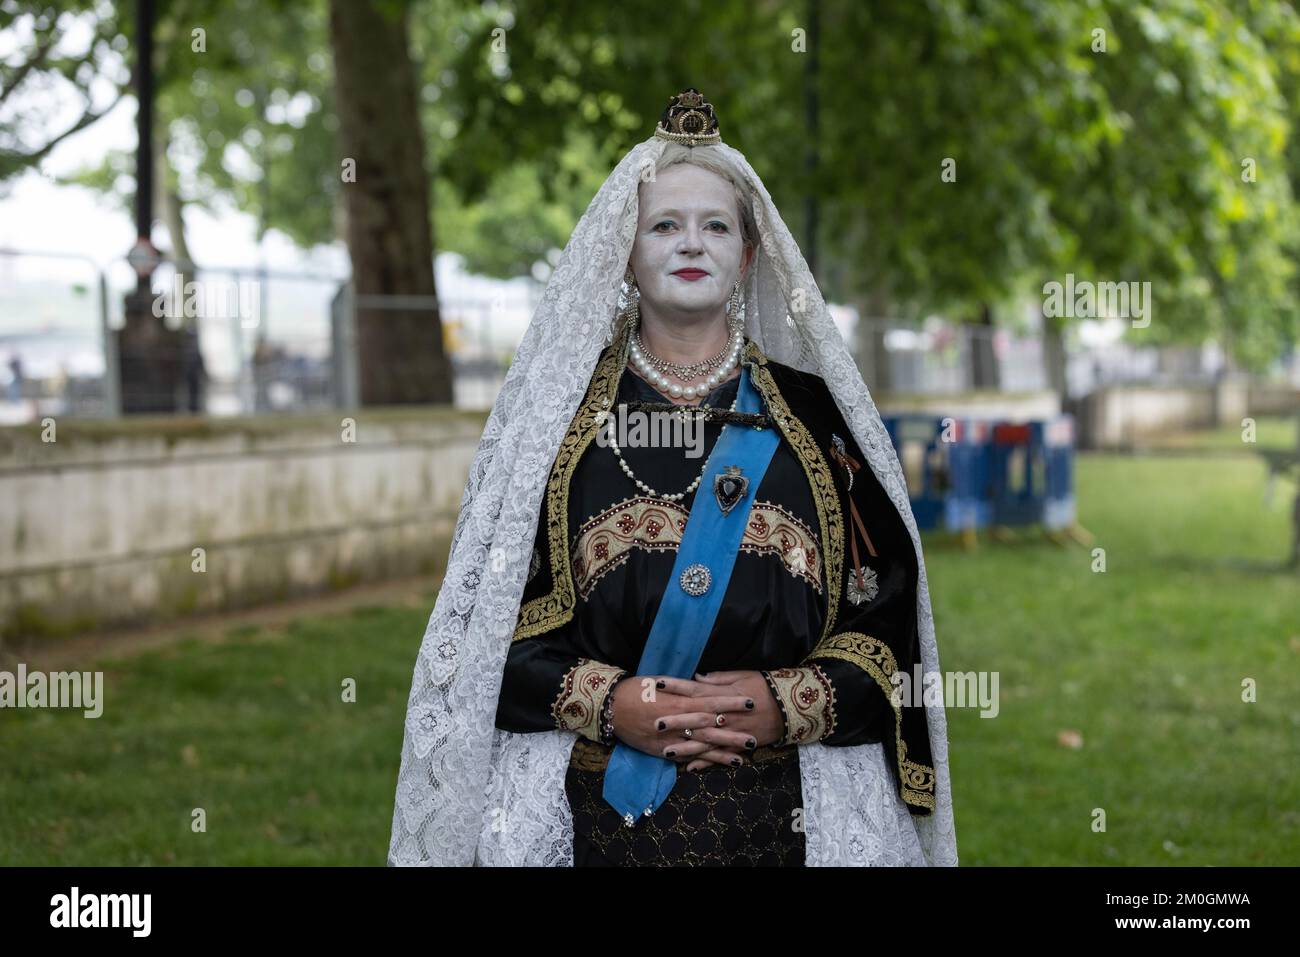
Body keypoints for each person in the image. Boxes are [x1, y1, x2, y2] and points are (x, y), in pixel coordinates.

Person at [388, 88, 957, 866]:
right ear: (626, 251)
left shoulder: (819, 419)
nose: (692, 242)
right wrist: (610, 701)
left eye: (715, 225)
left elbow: (888, 628)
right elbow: (480, 639)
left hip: (795, 818)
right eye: (665, 224)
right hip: (600, 821)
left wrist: (780, 704)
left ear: (748, 254)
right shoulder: (552, 425)